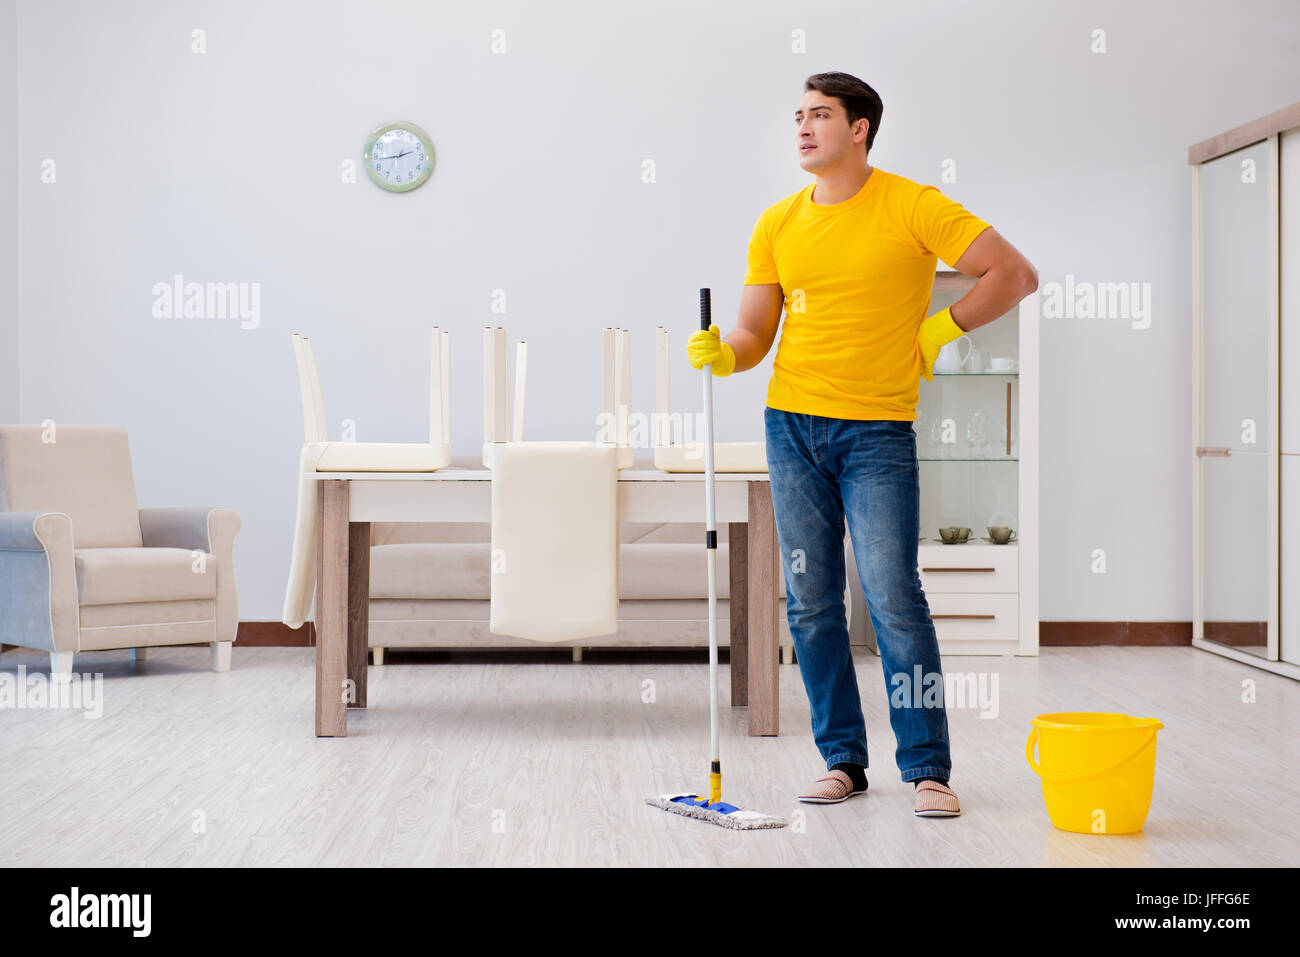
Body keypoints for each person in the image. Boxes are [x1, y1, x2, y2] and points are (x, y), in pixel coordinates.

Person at [687, 71, 1037, 817]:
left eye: (820, 115)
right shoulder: (778, 222)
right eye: (798, 117)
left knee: (893, 597)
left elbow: (1013, 274)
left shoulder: (912, 204)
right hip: (792, 427)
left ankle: (928, 768)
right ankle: (841, 758)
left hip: (877, 431)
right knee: (811, 600)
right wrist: (726, 350)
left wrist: (940, 329)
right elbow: (756, 332)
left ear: (861, 128)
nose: (804, 128)